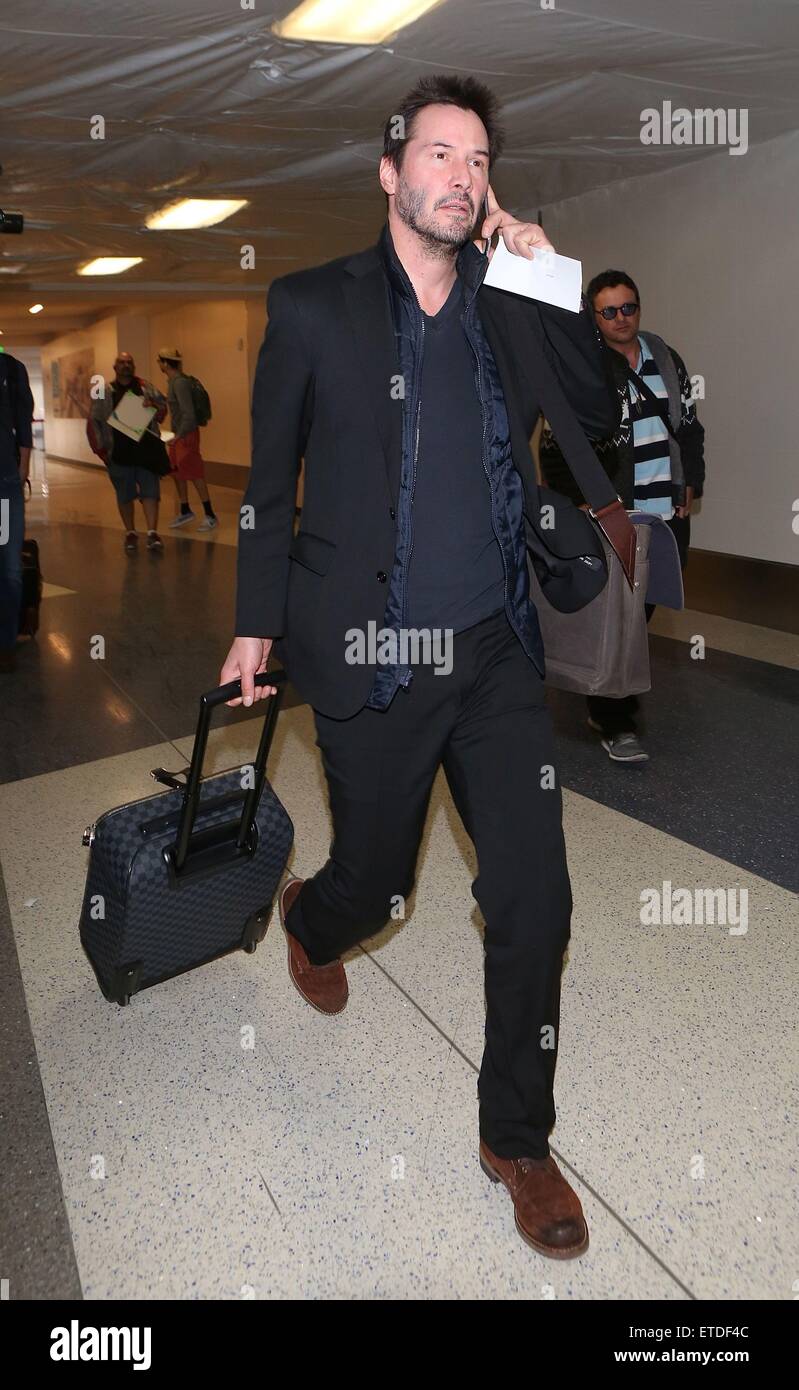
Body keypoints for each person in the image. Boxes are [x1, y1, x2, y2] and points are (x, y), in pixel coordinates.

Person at [221, 75, 619, 1259]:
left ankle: (517, 1137)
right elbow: (264, 486)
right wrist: (255, 623)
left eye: (480, 160)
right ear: (389, 173)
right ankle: (312, 917)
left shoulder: (509, 303)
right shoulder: (310, 308)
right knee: (380, 881)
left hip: (495, 648)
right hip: (372, 648)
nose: (462, 173)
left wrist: (552, 277)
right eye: (439, 153)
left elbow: (595, 403)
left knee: (534, 898)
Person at [541, 269, 705, 761]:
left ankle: (612, 690)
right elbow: (554, 444)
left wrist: (690, 477)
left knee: (642, 610)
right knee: (618, 615)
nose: (620, 319)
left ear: (639, 307)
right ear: (594, 317)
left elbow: (691, 425)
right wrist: (580, 499)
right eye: (608, 311)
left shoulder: (666, 358)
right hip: (616, 511)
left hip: (665, 512)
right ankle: (612, 715)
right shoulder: (583, 370)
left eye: (627, 307)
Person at [87, 352, 167, 552]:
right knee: (125, 494)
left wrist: (154, 406)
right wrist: (102, 452)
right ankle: (130, 532)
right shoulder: (105, 392)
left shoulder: (146, 388)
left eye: (129, 362)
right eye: (121, 363)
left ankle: (152, 533)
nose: (126, 366)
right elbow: (94, 423)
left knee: (151, 492)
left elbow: (163, 411)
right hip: (119, 453)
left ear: (134, 366)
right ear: (115, 367)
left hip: (146, 451)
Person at [156, 349, 218, 530]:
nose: (159, 364)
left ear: (166, 363)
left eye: (159, 361)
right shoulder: (173, 382)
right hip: (179, 434)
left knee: (195, 473)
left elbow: (189, 415)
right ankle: (185, 510)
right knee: (176, 472)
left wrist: (179, 436)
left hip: (186, 434)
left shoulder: (180, 383)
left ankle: (210, 514)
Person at [0, 350, 34, 673]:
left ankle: (5, 642)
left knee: (8, 567)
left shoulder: (11, 369)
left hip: (4, 487)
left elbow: (24, 423)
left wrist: (22, 469)